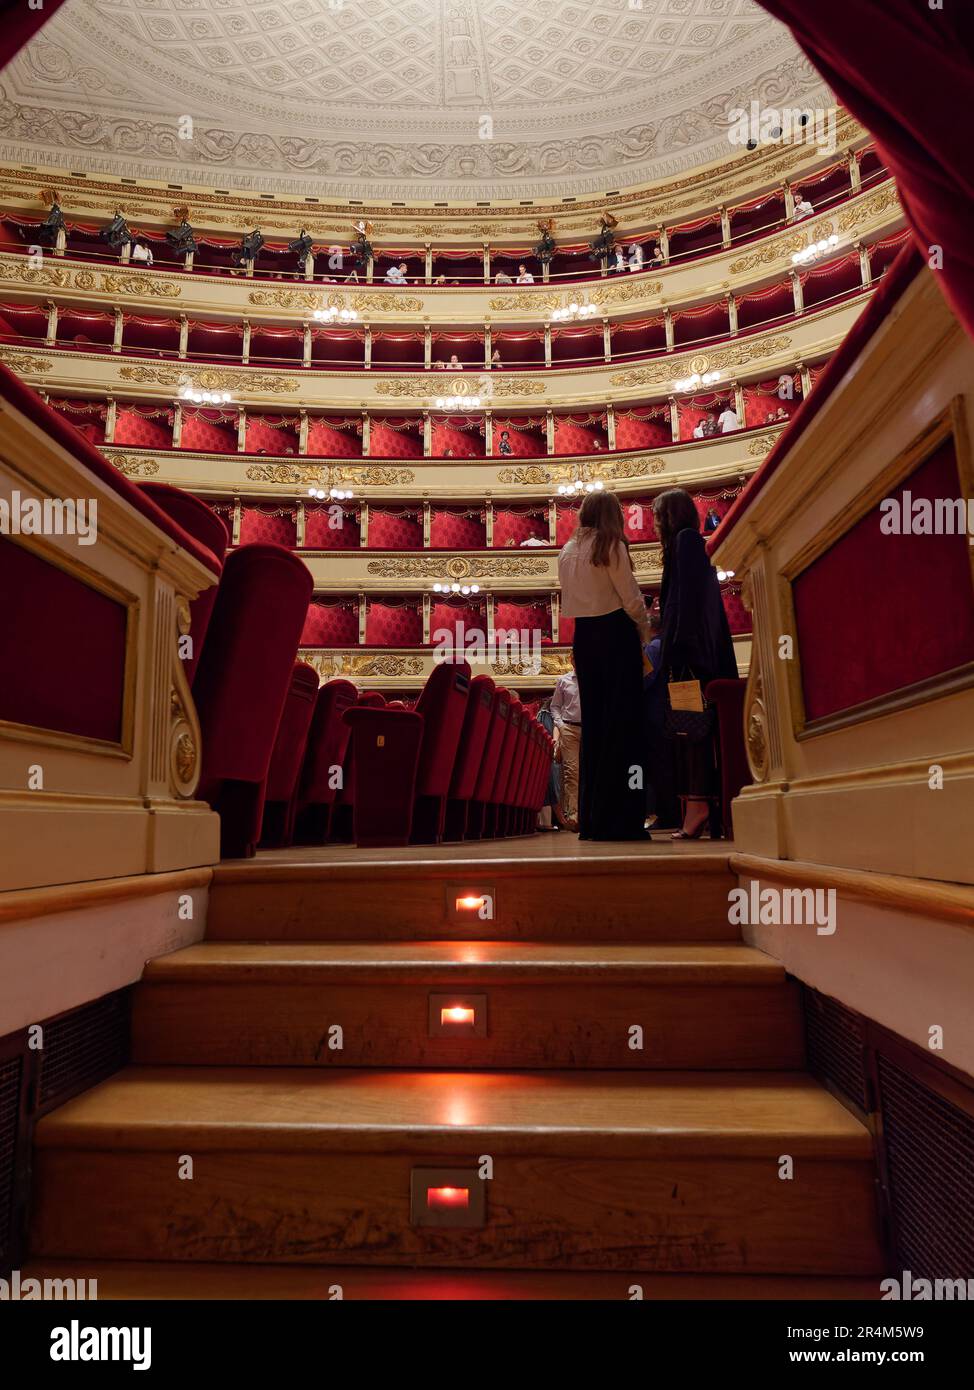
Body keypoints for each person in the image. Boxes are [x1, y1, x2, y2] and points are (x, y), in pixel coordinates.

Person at [558, 491, 650, 841]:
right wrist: (644, 629)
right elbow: (630, 598)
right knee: (625, 728)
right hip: (616, 634)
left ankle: (593, 819)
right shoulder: (611, 545)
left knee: (595, 729)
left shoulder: (566, 552)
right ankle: (624, 818)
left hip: (585, 639)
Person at [652, 488, 738, 839]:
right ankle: (696, 806)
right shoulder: (687, 543)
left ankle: (699, 806)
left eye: (658, 516)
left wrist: (674, 651)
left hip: (690, 657)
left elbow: (684, 605)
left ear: (670, 516)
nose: (655, 523)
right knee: (687, 730)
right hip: (694, 653)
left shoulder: (685, 541)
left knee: (691, 731)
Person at [642, 607, 680, 831]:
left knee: (659, 767)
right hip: (661, 712)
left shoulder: (654, 647)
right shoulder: (663, 645)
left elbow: (645, 677)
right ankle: (668, 812)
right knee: (663, 766)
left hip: (654, 714)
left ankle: (667, 814)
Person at [550, 660, 581, 829]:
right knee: (572, 771)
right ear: (571, 660)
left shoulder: (594, 678)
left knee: (588, 771)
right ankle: (574, 815)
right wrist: (561, 726)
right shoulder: (564, 680)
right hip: (569, 728)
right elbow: (555, 706)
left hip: (590, 729)